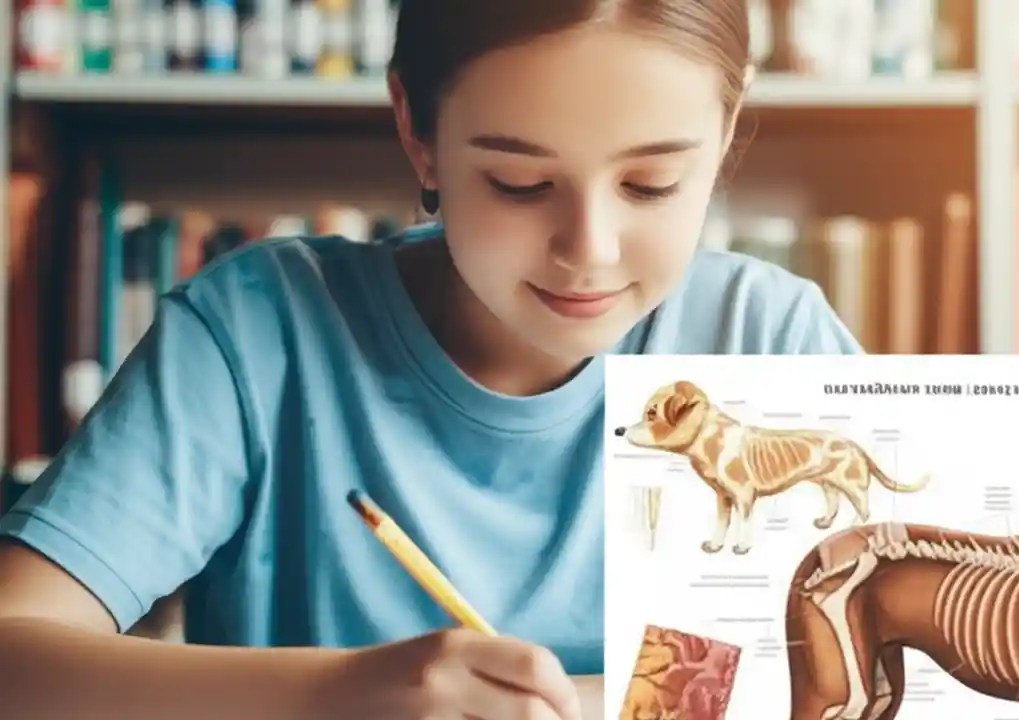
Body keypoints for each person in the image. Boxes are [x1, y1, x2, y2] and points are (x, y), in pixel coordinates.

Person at [0, 1, 861, 718]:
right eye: (519, 184)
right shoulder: (264, 334)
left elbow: (903, 670)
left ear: (731, 123)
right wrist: (334, 693)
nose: (588, 251)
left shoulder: (767, 335)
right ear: (416, 127)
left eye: (651, 185)